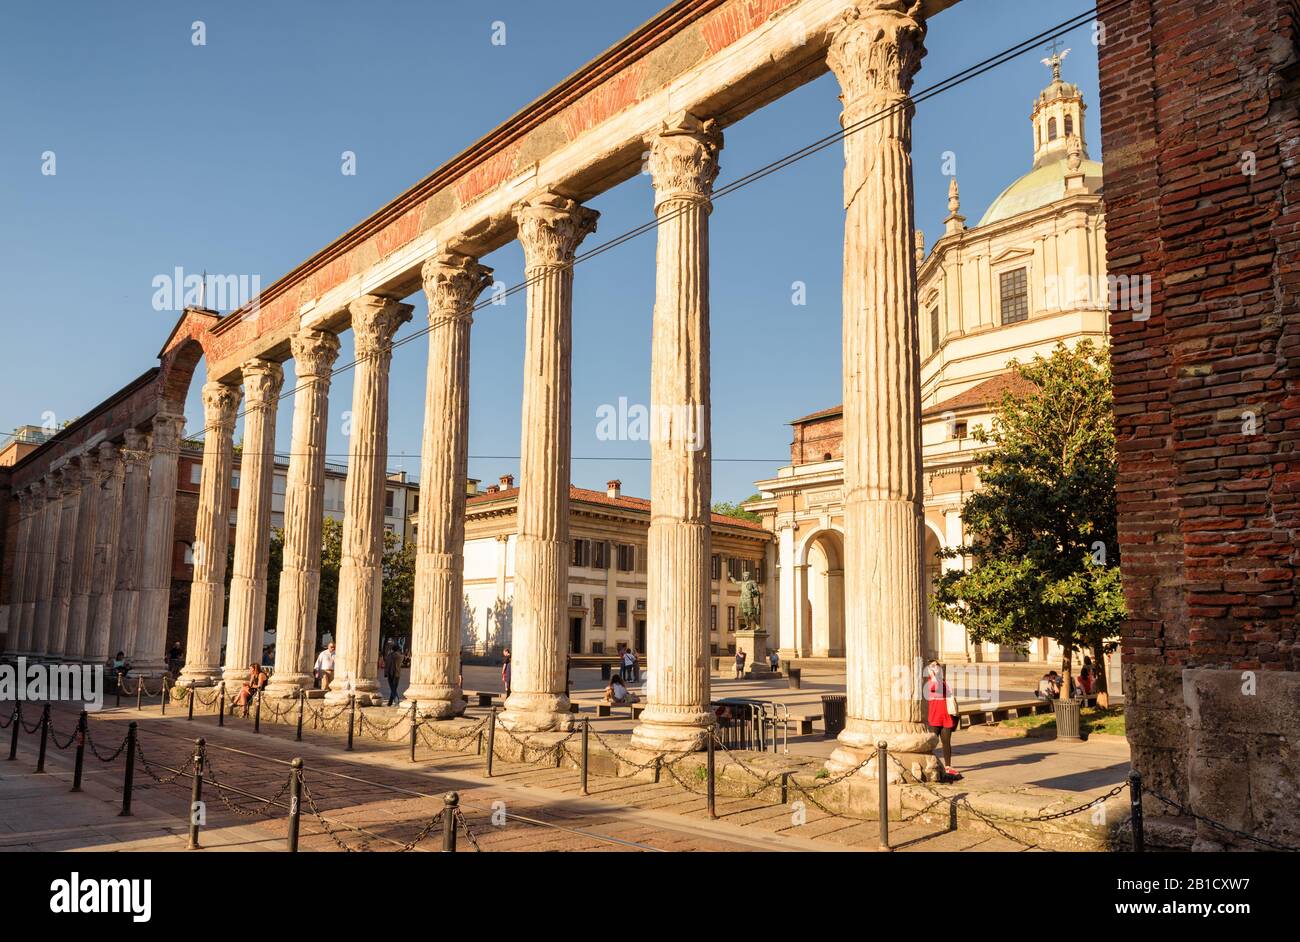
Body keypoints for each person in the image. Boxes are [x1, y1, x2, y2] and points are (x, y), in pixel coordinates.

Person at [924, 659, 960, 779]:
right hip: (934, 717)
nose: (936, 667)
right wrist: (933, 675)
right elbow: (935, 687)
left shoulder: (943, 682)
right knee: (931, 744)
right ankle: (929, 764)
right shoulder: (929, 682)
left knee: (946, 742)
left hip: (946, 716)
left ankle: (948, 766)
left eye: (937, 665)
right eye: (933, 666)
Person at [383, 640, 403, 706]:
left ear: (392, 649)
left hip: (390, 674)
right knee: (394, 688)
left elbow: (387, 665)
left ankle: (396, 701)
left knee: (392, 688)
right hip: (397, 674)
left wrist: (386, 673)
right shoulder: (400, 656)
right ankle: (390, 702)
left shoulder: (390, 655)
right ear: (397, 649)